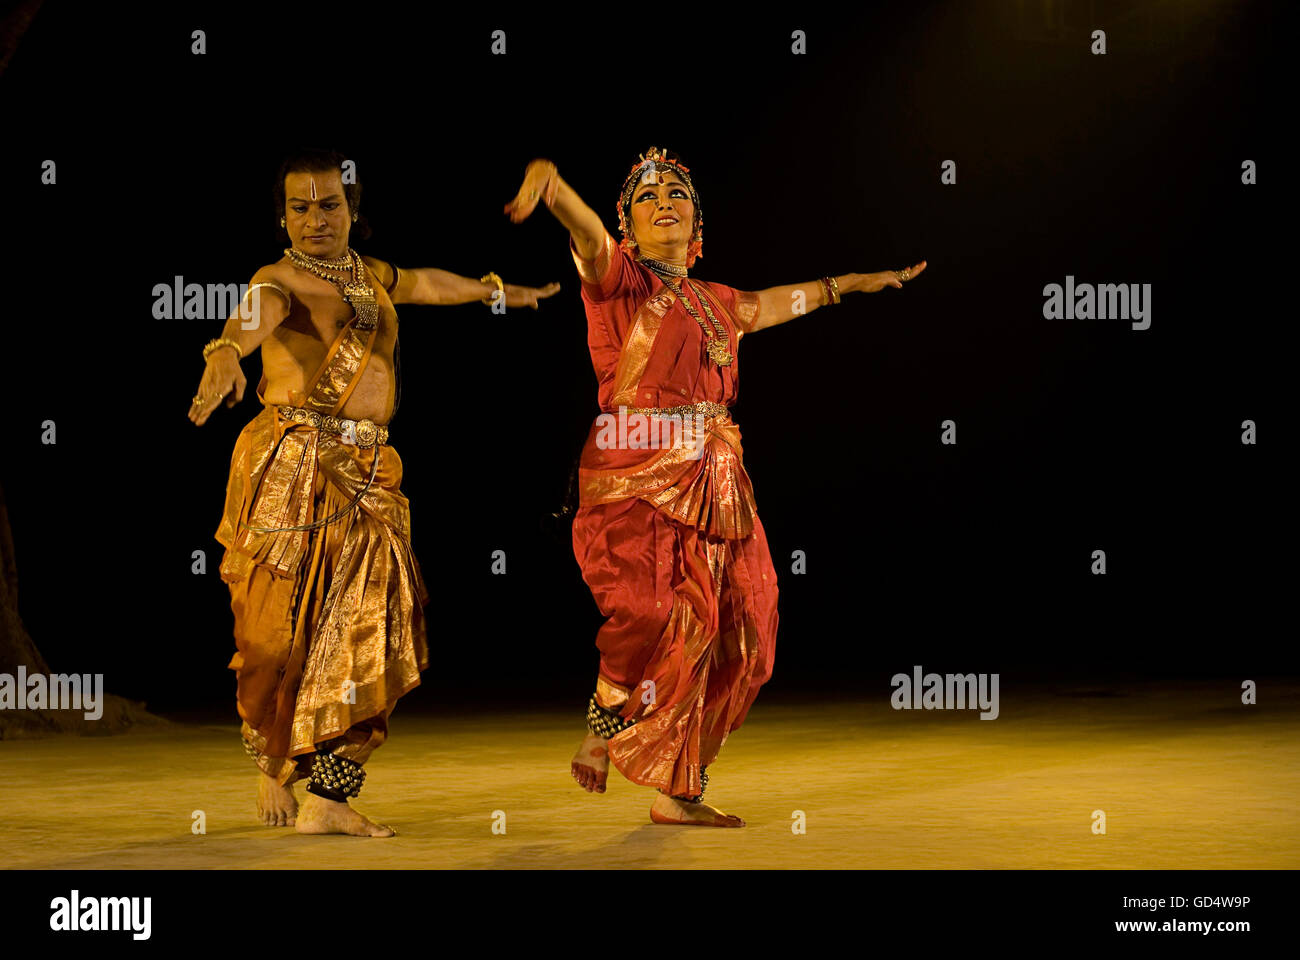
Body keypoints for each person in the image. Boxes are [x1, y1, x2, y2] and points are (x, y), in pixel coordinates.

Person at [505, 147, 927, 826]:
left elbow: (780, 303)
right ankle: (604, 722)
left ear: (698, 223)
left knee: (744, 628)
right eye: (647, 196)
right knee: (647, 609)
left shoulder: (717, 302)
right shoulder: (618, 283)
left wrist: (851, 282)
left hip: (716, 474)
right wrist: (554, 192)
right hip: (636, 465)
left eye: (677, 192)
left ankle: (681, 790)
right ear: (629, 226)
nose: (664, 200)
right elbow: (586, 238)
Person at [191, 148, 559, 836]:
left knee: (363, 630)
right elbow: (249, 320)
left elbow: (424, 283)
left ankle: (331, 796)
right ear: (282, 215)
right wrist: (221, 354)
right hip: (295, 469)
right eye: (299, 207)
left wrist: (493, 291)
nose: (314, 219)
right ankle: (272, 757)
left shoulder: (369, 276)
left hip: (368, 475)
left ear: (352, 211)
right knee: (274, 638)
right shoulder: (278, 279)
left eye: (329, 204)